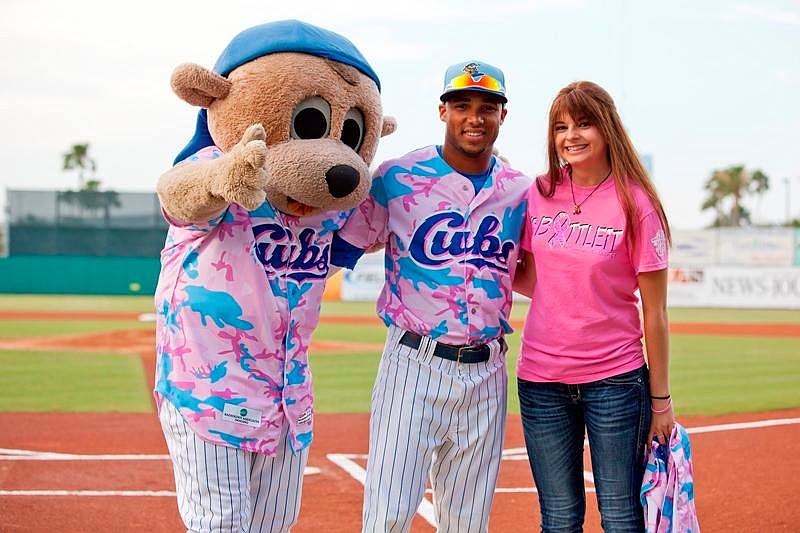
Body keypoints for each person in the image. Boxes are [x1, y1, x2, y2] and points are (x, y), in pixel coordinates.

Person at [330, 60, 532, 532]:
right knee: (389, 515)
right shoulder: (397, 177)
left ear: (504, 116)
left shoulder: (520, 192)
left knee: (467, 522)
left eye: (487, 107)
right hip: (413, 366)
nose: (475, 117)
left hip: (487, 372)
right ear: (443, 110)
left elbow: (545, 272)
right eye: (462, 105)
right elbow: (339, 247)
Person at [512, 80, 675, 532]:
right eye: (560, 126)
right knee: (559, 519)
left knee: (622, 517)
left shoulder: (635, 202)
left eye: (584, 123)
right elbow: (534, 278)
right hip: (541, 380)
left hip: (615, 381)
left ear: (607, 128)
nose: (571, 136)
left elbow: (655, 312)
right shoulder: (538, 192)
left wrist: (660, 400)